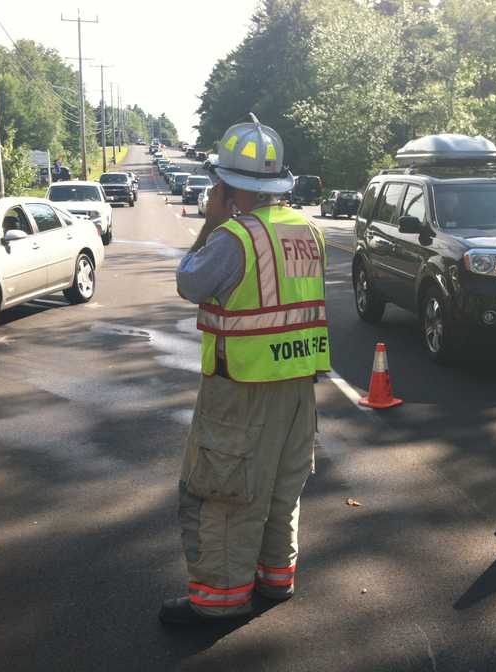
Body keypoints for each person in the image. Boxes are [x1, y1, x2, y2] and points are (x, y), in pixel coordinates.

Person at [160, 114, 331, 625]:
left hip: (243, 391)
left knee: (224, 494)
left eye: (219, 187)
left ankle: (219, 602)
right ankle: (276, 580)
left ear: (231, 190)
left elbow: (190, 283)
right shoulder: (310, 231)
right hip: (298, 387)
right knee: (282, 487)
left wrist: (213, 221)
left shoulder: (234, 237)